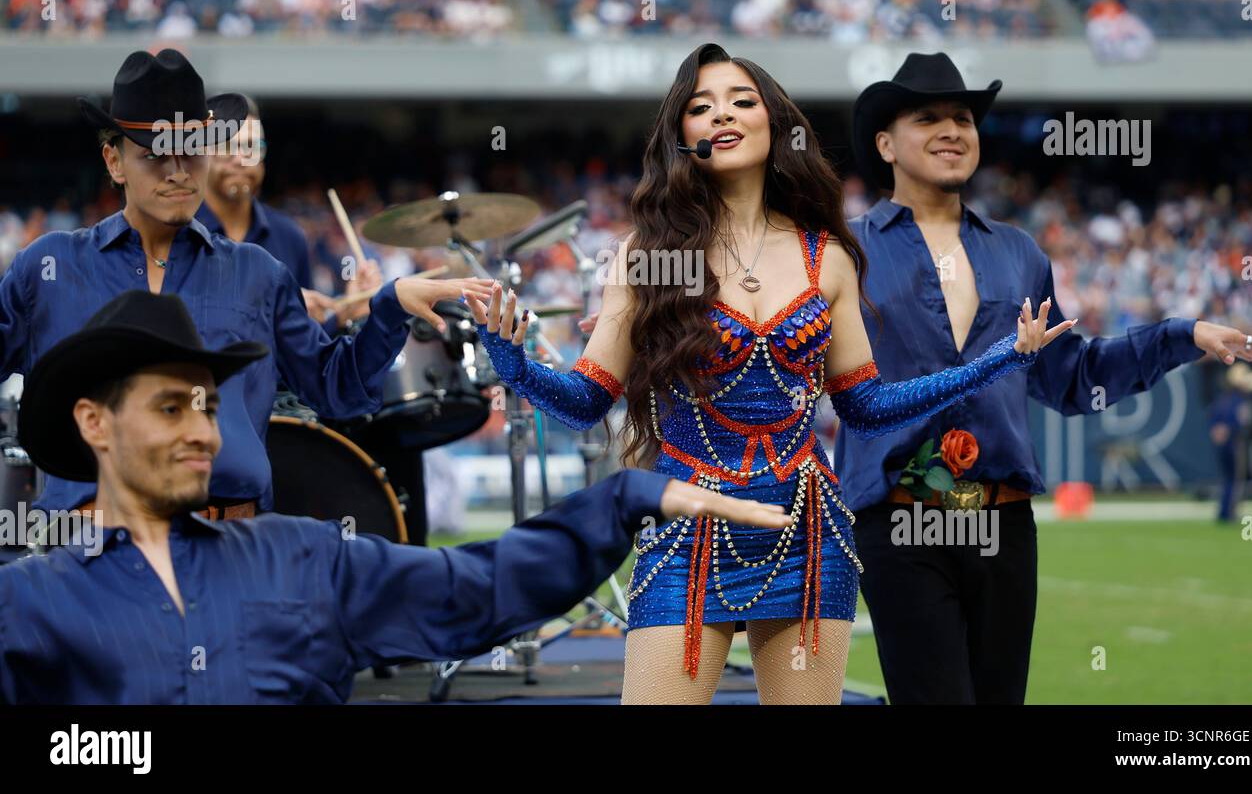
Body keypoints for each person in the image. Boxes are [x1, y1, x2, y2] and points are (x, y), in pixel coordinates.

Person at [465, 43, 1071, 705]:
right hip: (688, 530)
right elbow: (586, 400)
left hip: (808, 532)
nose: (721, 115)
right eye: (700, 107)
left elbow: (865, 405)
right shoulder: (646, 256)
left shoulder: (828, 256)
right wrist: (511, 359)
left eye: (741, 100)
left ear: (775, 122)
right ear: (683, 135)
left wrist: (1001, 359)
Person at [0, 290, 789, 704]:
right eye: (172, 407)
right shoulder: (27, 606)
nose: (206, 432)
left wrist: (629, 498)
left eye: (209, 406)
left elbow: (481, 588)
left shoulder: (302, 556)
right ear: (94, 423)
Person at [839, 51, 1252, 703]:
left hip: (1004, 528)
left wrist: (1181, 335)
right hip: (902, 526)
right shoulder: (843, 250)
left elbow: (1072, 379)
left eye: (963, 117)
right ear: (885, 143)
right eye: (928, 117)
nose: (952, 130)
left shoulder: (1019, 252)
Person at [0, 48, 494, 517]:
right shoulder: (48, 267)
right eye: (155, 153)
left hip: (229, 547)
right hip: (89, 557)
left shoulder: (259, 273)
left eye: (192, 150)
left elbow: (336, 389)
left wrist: (390, 306)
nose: (177, 171)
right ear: (114, 161)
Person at [196, 96, 382, 328]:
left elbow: (304, 342)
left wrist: (344, 316)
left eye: (252, 147)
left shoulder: (289, 236)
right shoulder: (178, 232)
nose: (240, 159)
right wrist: (278, 305)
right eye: (225, 146)